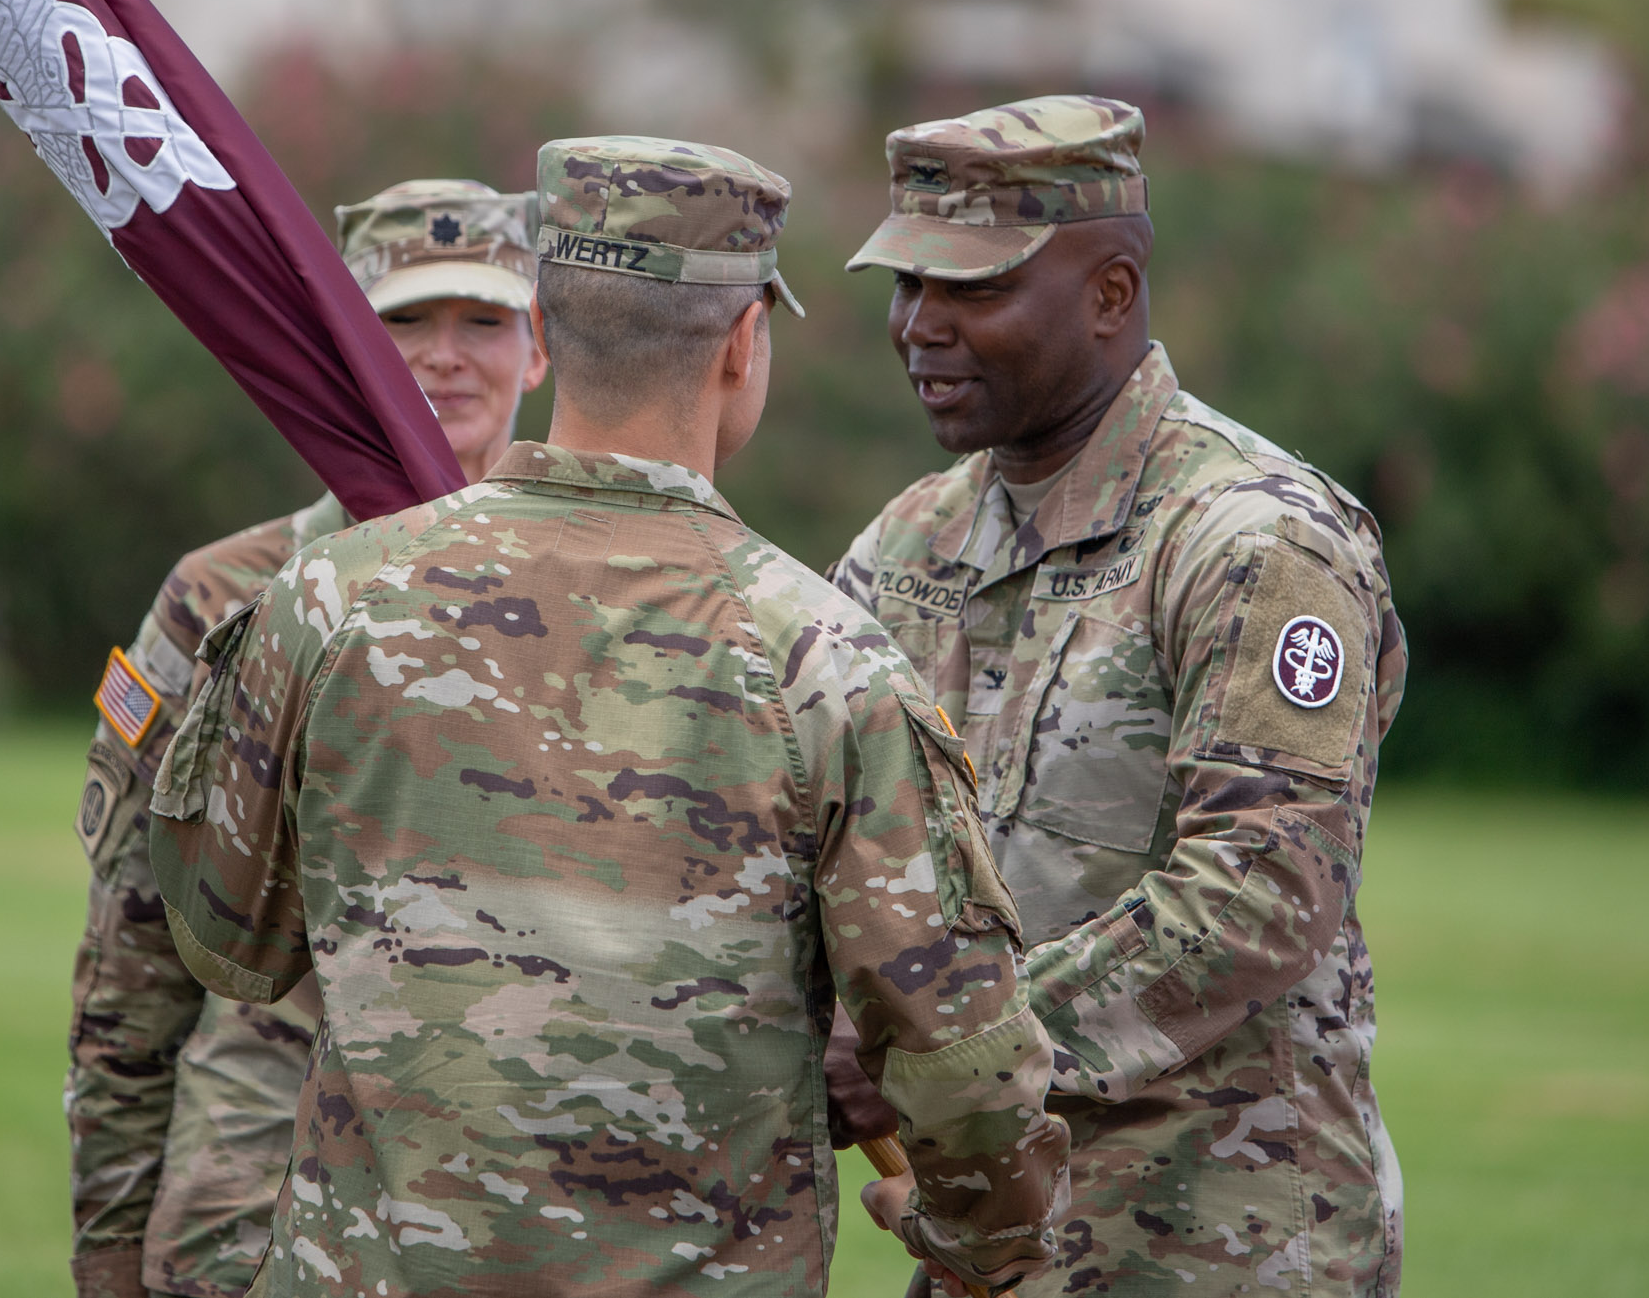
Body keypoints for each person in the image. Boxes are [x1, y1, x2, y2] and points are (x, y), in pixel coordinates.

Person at [142, 136, 1070, 1296]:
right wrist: (980, 1235)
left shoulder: (330, 598)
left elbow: (224, 936)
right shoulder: (829, 661)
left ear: (545, 327)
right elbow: (965, 1062)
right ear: (742, 343)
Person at [827, 96, 1408, 1296]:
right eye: (906, 287)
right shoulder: (903, 549)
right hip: (987, 1248)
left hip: (1215, 1245)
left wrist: (944, 1053)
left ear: (1111, 290)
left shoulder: (1253, 540)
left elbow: (1260, 892)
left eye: (973, 290)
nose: (920, 327)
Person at [68, 179, 554, 1298]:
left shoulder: (594, 599)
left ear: (537, 353)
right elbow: (133, 953)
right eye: (400, 323)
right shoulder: (225, 598)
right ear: (337, 345)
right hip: (262, 1186)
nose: (442, 358)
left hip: (514, 1196)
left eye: (482, 321)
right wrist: (107, 1241)